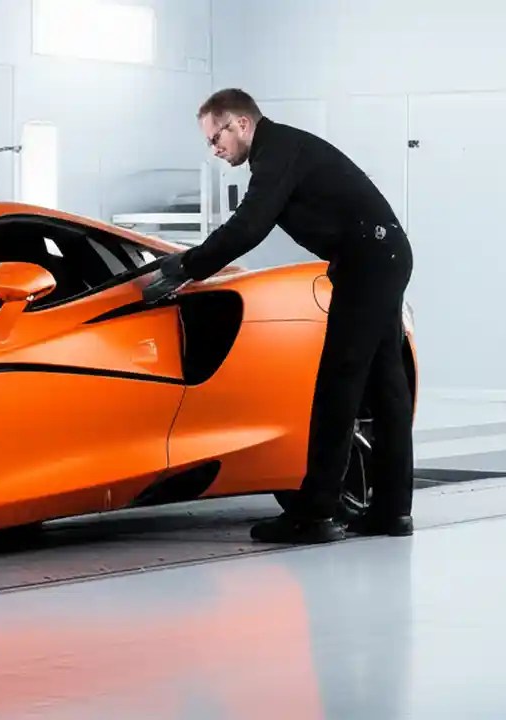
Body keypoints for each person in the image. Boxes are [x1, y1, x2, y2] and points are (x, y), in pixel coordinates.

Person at [142, 88, 415, 544]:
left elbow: (249, 225)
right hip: (381, 255)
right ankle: (392, 511)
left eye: (216, 138)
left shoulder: (277, 152)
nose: (214, 150)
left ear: (241, 124)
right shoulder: (284, 149)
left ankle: (315, 513)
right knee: (384, 386)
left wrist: (186, 268)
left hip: (370, 260)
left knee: (338, 384)